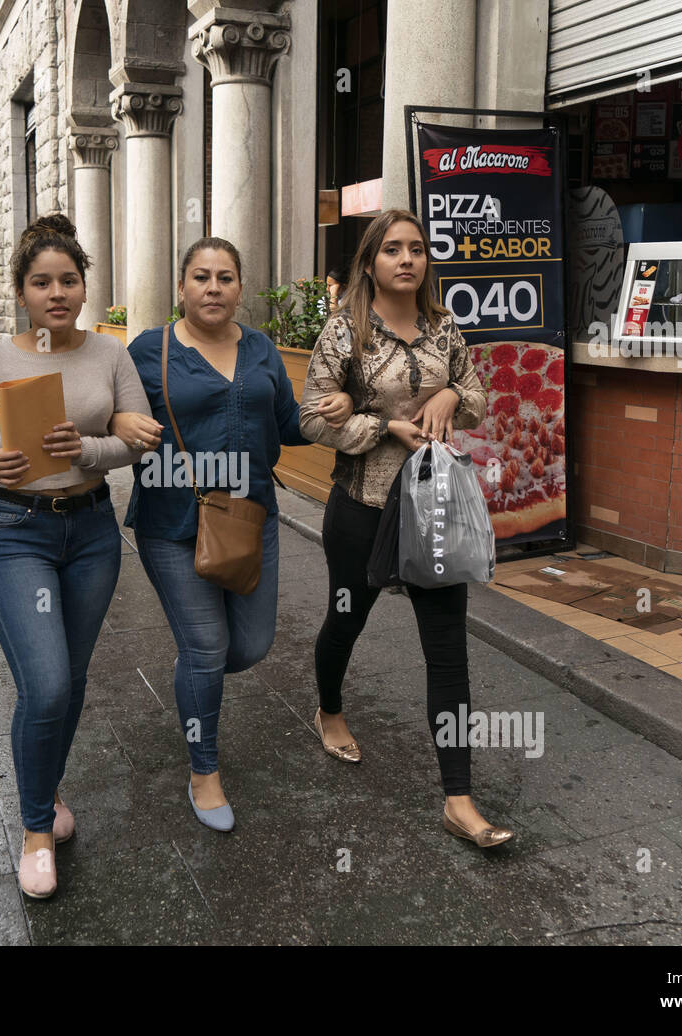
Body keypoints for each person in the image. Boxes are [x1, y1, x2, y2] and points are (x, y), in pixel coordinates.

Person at [110, 238, 353, 832]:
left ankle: (197, 675)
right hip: (172, 522)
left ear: (240, 287)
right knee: (206, 647)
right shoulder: (149, 350)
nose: (213, 288)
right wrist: (117, 418)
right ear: (182, 287)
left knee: (249, 646)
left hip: (249, 519)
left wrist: (328, 413)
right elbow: (104, 408)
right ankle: (204, 770)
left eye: (224, 277)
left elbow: (287, 425)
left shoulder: (264, 350)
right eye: (201, 277)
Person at [0, 213, 150, 899]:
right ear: (22, 291)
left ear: (84, 288)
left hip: (93, 531)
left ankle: (47, 787)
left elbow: (138, 440)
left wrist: (86, 451)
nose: (56, 293)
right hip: (17, 532)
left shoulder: (111, 355)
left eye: (68, 280)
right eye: (42, 282)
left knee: (73, 678)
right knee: (48, 685)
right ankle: (38, 829)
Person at [297, 209, 509, 848]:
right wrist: (379, 426)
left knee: (448, 649)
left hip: (434, 508)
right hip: (361, 509)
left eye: (416, 249)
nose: (406, 259)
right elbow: (310, 419)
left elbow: (478, 396)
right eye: (392, 249)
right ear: (370, 262)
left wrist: (450, 398)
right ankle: (329, 712)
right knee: (346, 619)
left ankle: (460, 799)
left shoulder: (446, 329)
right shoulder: (344, 334)